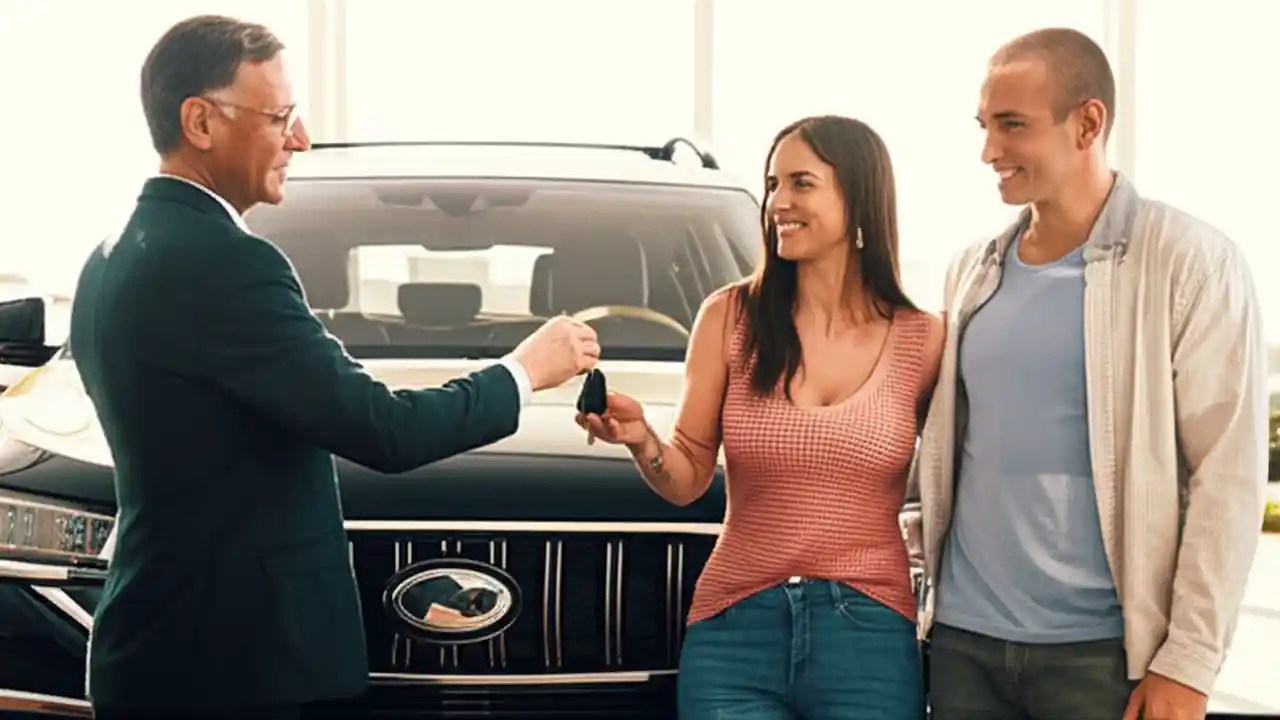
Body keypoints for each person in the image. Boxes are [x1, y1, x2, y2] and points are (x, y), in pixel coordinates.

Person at [70, 15, 599, 720]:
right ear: (199, 121)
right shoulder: (225, 262)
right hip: (239, 671)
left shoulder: (110, 256)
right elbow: (386, 430)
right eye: (278, 116)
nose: (300, 137)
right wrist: (524, 369)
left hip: (155, 649)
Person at [911, 27, 1269, 720]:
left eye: (1012, 125)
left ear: (1088, 123)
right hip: (963, 649)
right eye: (985, 127)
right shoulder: (973, 271)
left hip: (1103, 662)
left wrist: (1188, 664)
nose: (989, 151)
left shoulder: (1189, 262)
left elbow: (1228, 474)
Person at [579, 115, 944, 719]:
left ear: (859, 198)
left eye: (802, 183)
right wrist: (641, 440)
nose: (778, 203)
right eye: (773, 184)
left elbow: (958, 484)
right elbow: (687, 478)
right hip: (735, 630)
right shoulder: (728, 318)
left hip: (870, 637)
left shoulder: (923, 339)